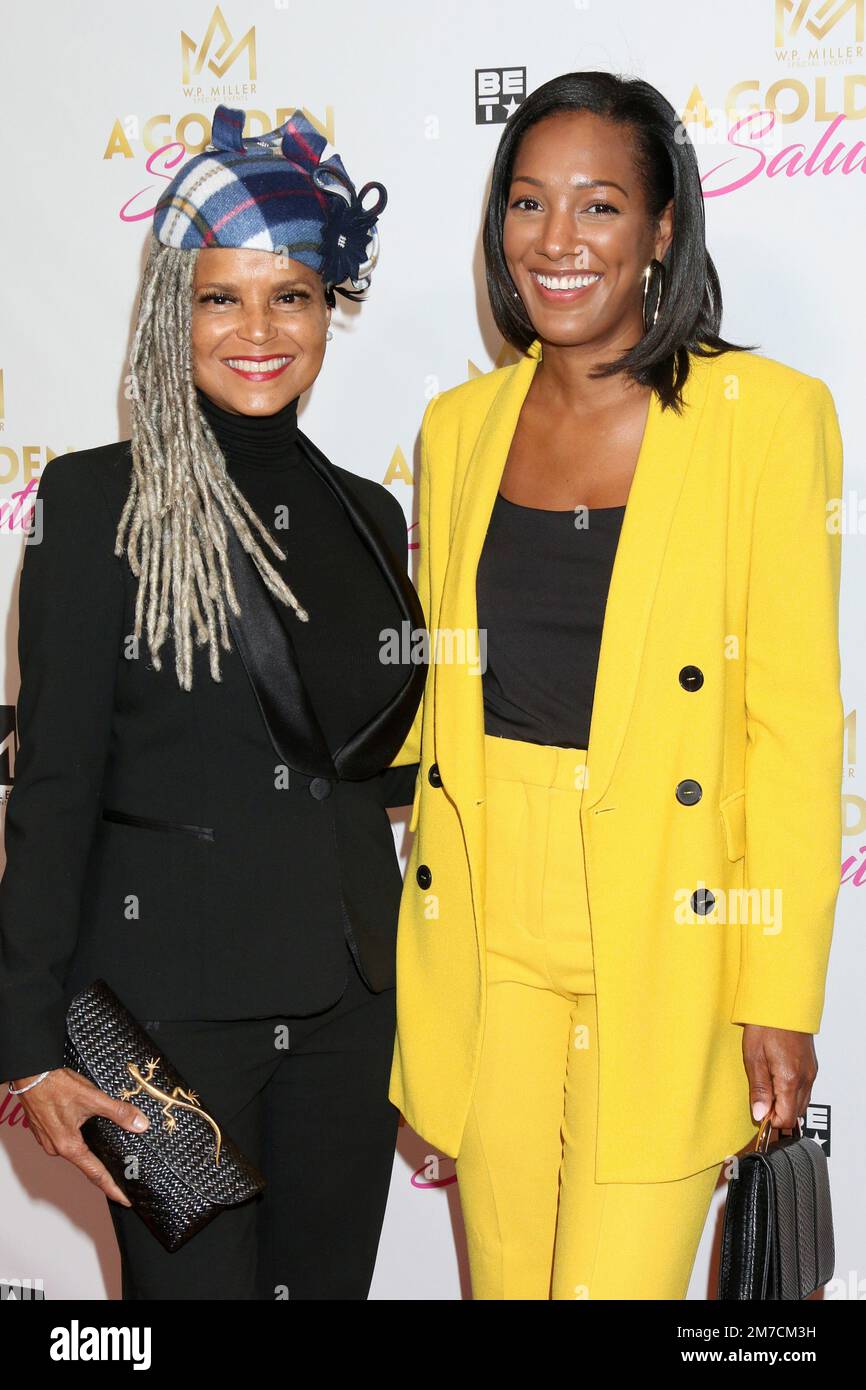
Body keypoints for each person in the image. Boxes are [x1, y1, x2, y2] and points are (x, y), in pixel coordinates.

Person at [385, 71, 844, 1299]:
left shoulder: (765, 416)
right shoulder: (459, 425)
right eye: (526, 204)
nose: (555, 242)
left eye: (596, 207)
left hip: (669, 917)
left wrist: (777, 992)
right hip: (489, 925)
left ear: (660, 230)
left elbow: (793, 723)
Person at [0, 105, 424, 1300]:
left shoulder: (365, 515)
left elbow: (374, 766)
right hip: (166, 1021)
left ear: (326, 310)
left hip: (348, 1012)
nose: (258, 330)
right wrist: (27, 1044)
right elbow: (54, 786)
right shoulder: (94, 508)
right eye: (220, 298)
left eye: (290, 296)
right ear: (167, 315)